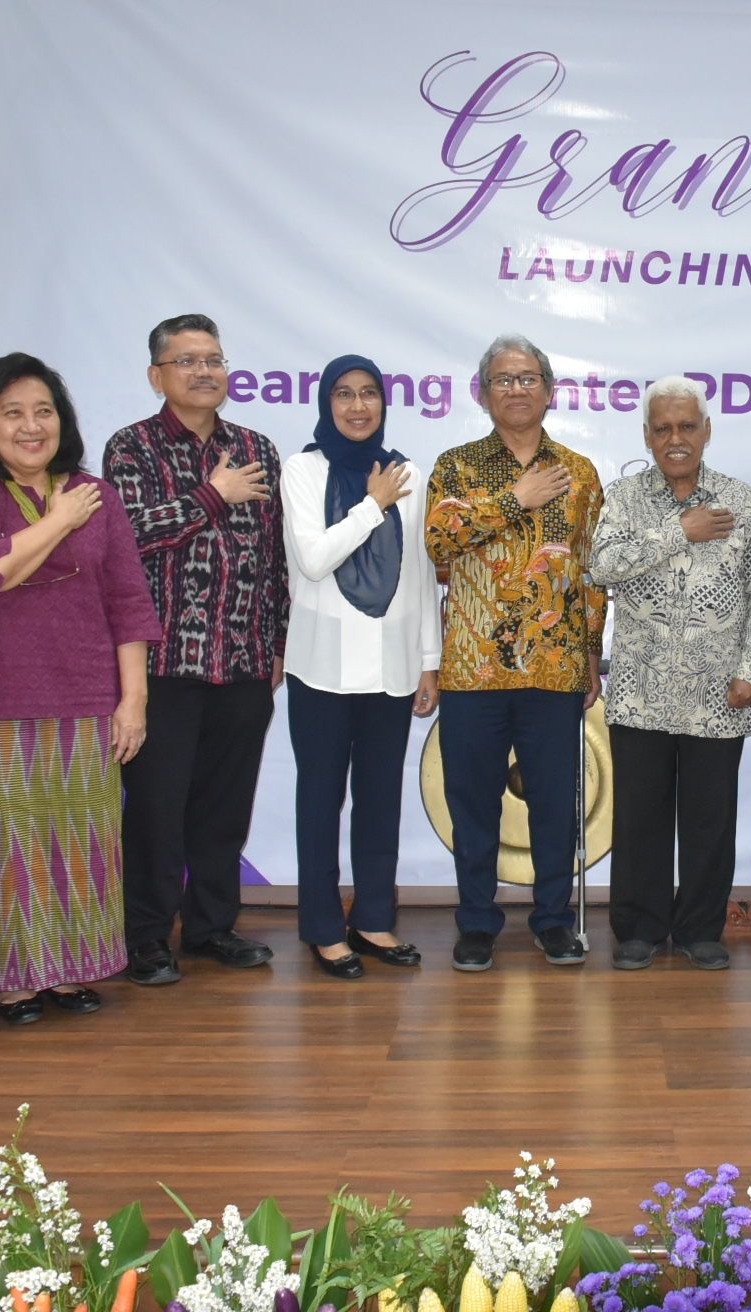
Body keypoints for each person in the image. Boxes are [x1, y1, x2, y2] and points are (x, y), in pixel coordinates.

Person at [0, 354, 162, 1023]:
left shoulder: (93, 490)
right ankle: (14, 980)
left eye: (44, 412)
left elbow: (127, 601)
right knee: (8, 847)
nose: (32, 426)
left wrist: (134, 699)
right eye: (13, 413)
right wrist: (60, 520)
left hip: (88, 697)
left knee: (81, 841)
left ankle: (70, 972)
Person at [103, 313, 290, 985]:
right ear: (158, 375)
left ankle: (212, 927)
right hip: (162, 667)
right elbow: (124, 538)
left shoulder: (256, 447)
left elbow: (271, 555)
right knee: (156, 809)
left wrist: (277, 640)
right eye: (187, 361)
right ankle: (147, 938)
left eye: (213, 359)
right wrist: (213, 495)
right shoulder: (132, 448)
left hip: (242, 661)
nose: (205, 371)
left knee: (222, 807)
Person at [588, 376, 751, 970]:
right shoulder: (623, 497)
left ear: (706, 431)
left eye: (687, 426)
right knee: (640, 816)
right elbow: (600, 565)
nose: (676, 438)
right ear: (646, 436)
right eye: (663, 428)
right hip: (640, 689)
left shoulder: (738, 499)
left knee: (709, 817)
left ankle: (702, 928)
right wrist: (681, 530)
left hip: (717, 692)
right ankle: (640, 929)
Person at [425, 333, 605, 972]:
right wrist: (514, 501)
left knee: (556, 802)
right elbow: (440, 543)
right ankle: (476, 922)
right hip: (473, 667)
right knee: (471, 801)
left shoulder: (579, 472)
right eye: (503, 379)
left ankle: (553, 922)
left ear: (550, 391)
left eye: (528, 378)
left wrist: (589, 651)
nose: (516, 388)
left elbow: (591, 572)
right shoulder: (456, 466)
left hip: (553, 668)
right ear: (482, 393)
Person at [282, 355, 441, 979]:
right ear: (326, 403)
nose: (356, 407)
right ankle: (323, 927)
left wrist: (429, 661)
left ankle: (373, 917)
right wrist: (373, 504)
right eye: (344, 395)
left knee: (380, 800)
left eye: (369, 394)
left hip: (393, 667)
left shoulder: (408, 473)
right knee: (320, 800)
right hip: (321, 667)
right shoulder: (302, 468)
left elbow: (423, 576)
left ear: (383, 402)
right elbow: (314, 558)